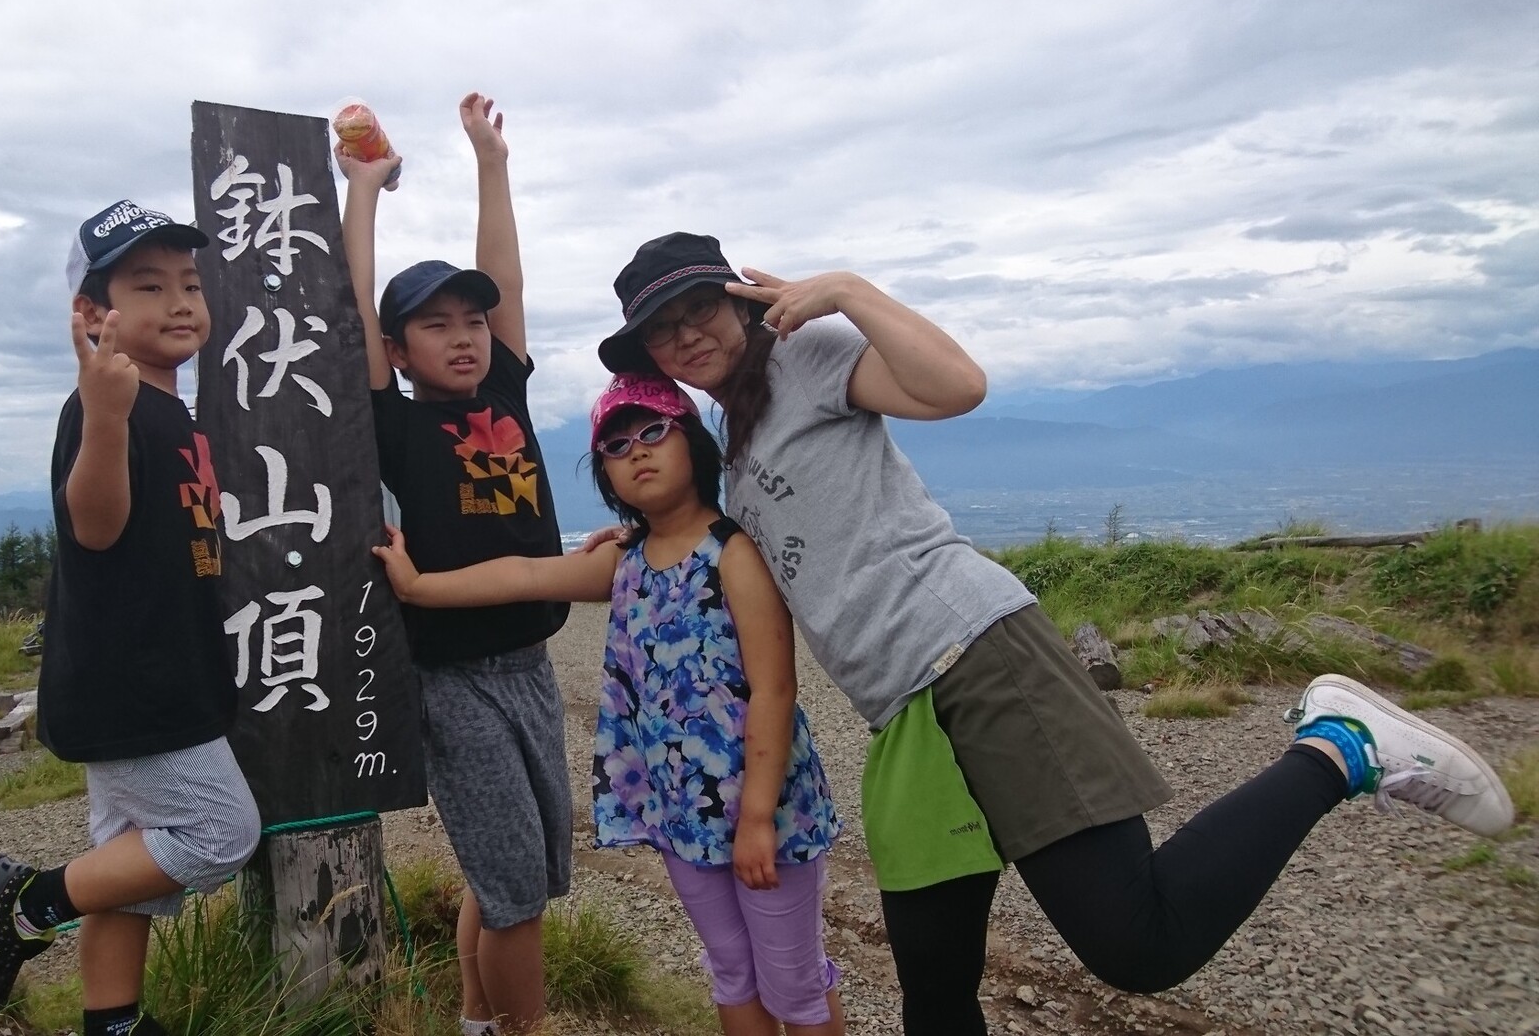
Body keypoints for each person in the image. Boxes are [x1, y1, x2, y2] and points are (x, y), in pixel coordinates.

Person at [593, 231, 1518, 1035]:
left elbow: (958, 386)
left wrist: (845, 289)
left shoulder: (808, 354)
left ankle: (1337, 748)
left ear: (744, 300)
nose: (685, 338)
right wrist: (636, 531)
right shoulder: (738, 423)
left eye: (699, 309)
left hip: (975, 654)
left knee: (1137, 944)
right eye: (661, 332)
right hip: (906, 721)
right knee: (937, 990)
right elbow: (733, 541)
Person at [374, 373, 847, 1036]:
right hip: (682, 815)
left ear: (694, 445)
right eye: (616, 445)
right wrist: (418, 587)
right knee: (731, 971)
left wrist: (759, 818)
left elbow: (775, 688)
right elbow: (525, 574)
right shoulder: (627, 563)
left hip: (770, 812)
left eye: (655, 431)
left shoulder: (735, 554)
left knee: (794, 985)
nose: (638, 451)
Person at [0, 201, 262, 1036]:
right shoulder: (104, 408)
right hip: (136, 685)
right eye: (147, 285)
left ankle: (111, 1022)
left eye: (189, 284)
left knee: (132, 864)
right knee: (218, 832)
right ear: (94, 314)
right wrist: (105, 415)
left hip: (163, 671)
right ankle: (26, 901)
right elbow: (93, 525)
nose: (179, 302)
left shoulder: (174, 414)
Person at [336, 93, 569, 1035]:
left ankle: (476, 1017)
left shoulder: (505, 381)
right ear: (398, 350)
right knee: (516, 893)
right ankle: (525, 1027)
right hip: (452, 679)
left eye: (473, 320)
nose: (466, 335)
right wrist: (364, 195)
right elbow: (357, 306)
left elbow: (503, 274)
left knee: (523, 872)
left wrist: (491, 163)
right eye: (437, 326)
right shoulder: (393, 419)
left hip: (534, 665)